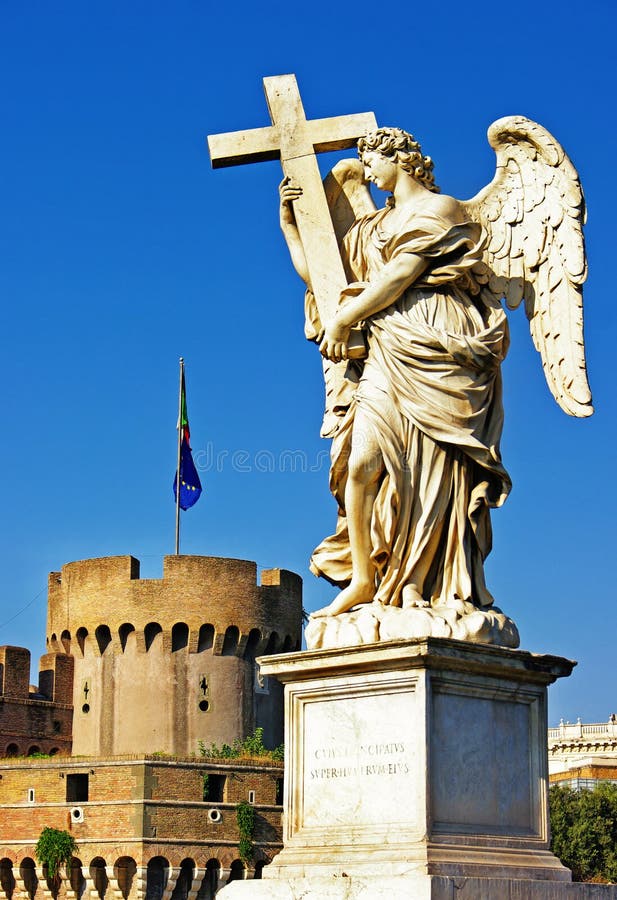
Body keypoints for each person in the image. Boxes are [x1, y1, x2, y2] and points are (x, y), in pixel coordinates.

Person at [279, 127, 511, 618]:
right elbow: (325, 279)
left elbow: (400, 275)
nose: (366, 173)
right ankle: (364, 579)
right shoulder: (372, 226)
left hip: (438, 346)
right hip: (387, 347)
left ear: (398, 159)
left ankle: (425, 582)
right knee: (360, 464)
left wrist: (346, 317)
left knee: (433, 471)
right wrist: (291, 228)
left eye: (372, 162)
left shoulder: (441, 210)